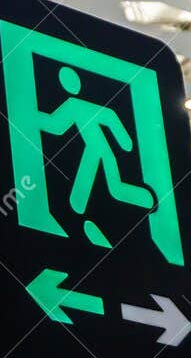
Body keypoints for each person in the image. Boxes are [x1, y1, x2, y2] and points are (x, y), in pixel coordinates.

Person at [36, 66, 155, 245]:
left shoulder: (72, 105)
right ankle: (139, 198)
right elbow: (113, 122)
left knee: (96, 186)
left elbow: (55, 126)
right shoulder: (75, 105)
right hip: (98, 151)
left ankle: (80, 211)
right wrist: (125, 142)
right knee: (108, 182)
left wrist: (34, 119)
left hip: (96, 150)